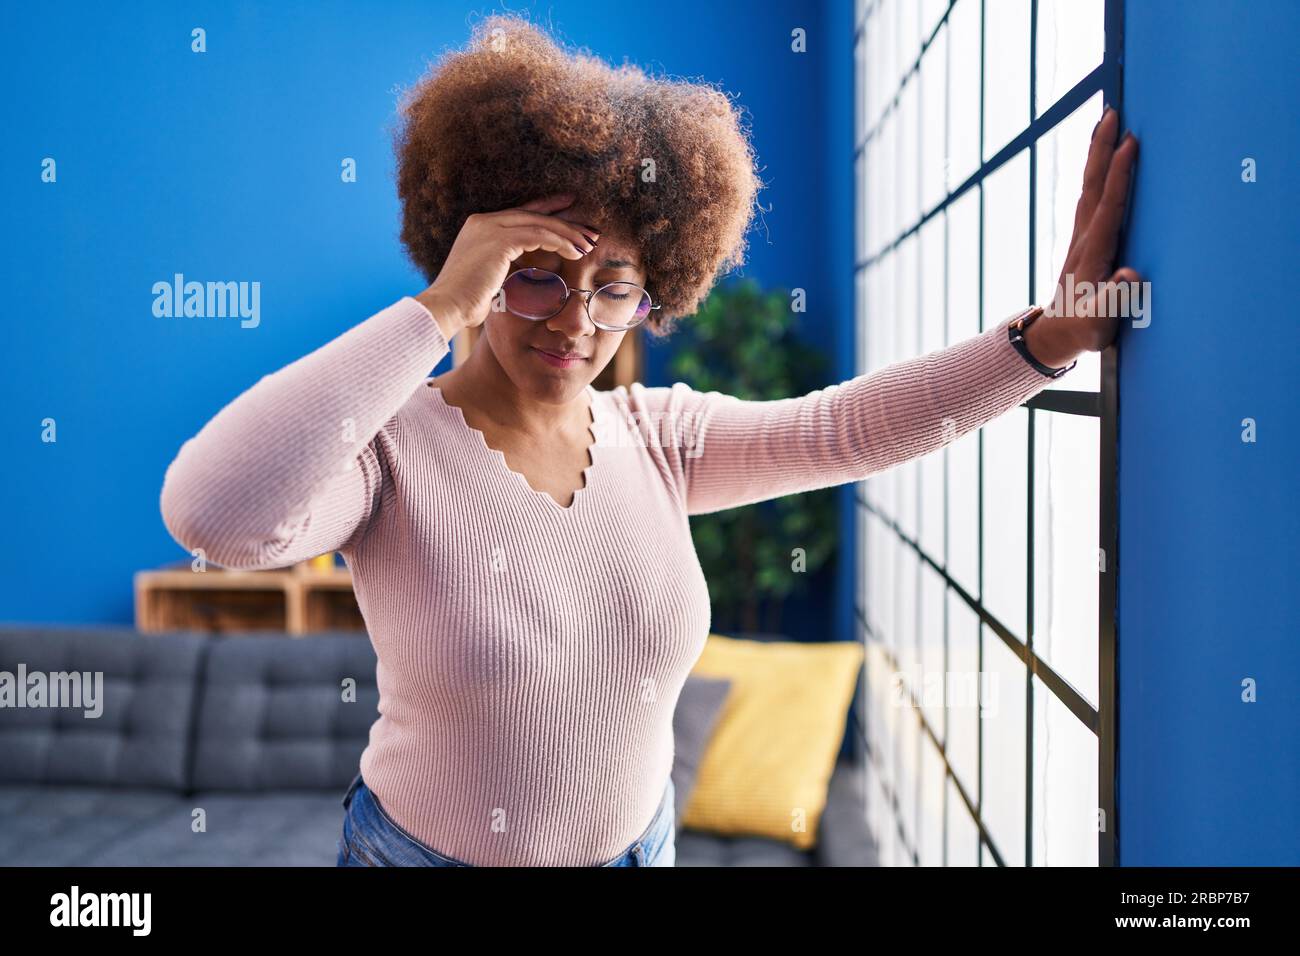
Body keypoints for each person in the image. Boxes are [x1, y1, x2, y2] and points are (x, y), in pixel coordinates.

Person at [159, 15, 1139, 867]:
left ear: (653, 288)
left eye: (613, 285)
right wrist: (436, 307)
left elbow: (842, 428)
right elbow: (214, 516)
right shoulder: (386, 454)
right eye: (538, 269)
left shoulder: (657, 435)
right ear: (474, 250)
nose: (574, 319)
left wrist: (1047, 338)